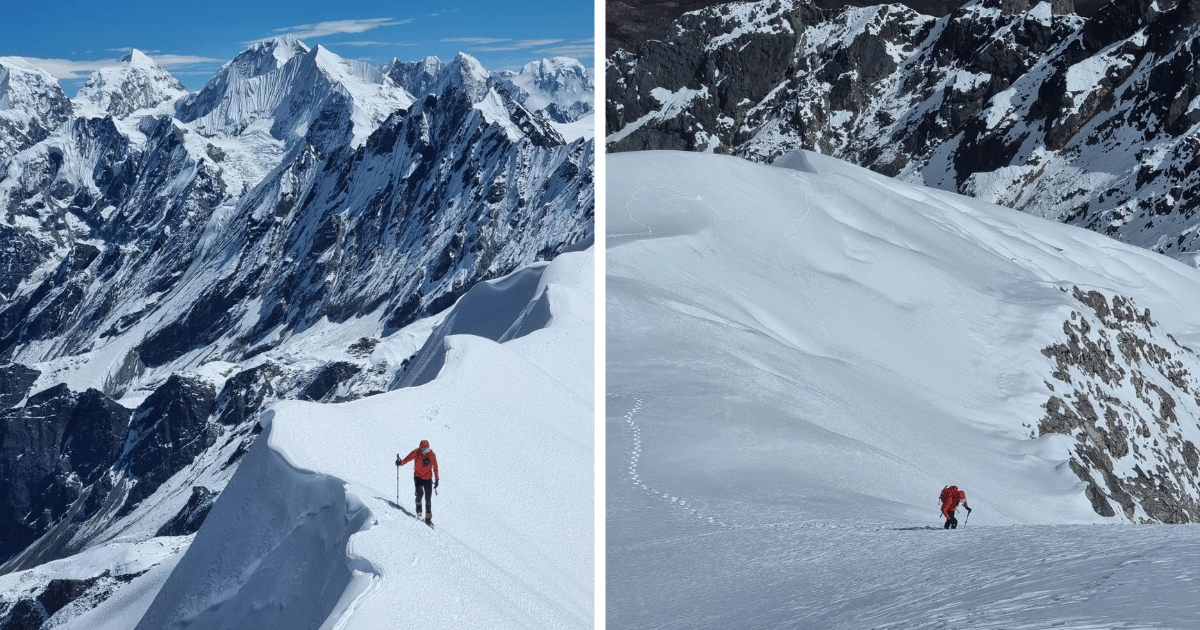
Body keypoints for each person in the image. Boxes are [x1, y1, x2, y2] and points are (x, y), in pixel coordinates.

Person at [397, 440, 439, 526]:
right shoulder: (416, 452)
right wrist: (400, 463)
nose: (425, 451)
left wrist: (437, 479)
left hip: (428, 480)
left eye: (427, 449)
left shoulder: (432, 455)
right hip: (418, 478)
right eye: (424, 449)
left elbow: (435, 467)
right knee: (419, 494)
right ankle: (418, 508)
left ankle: (428, 519)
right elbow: (407, 459)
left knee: (428, 500)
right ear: (420, 448)